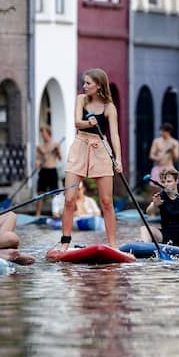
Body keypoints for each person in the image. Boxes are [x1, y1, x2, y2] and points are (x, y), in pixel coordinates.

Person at [61, 68, 122, 249]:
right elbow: (77, 123)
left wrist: (118, 159)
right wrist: (89, 122)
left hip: (101, 149)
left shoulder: (109, 108)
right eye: (84, 82)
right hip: (80, 146)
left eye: (88, 83)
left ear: (99, 85)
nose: (84, 86)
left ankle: (112, 245)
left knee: (107, 202)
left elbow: (115, 135)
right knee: (69, 199)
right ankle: (65, 243)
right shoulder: (81, 99)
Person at [34, 126, 61, 216]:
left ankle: (56, 213)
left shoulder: (55, 144)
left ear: (48, 133)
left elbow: (60, 158)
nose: (42, 136)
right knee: (40, 192)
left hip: (52, 170)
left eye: (44, 134)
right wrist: (37, 163)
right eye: (41, 134)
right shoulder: (40, 147)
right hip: (43, 171)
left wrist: (57, 151)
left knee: (55, 193)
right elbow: (38, 159)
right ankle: (37, 213)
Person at [148, 122, 179, 193]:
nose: (161, 133)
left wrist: (172, 150)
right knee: (155, 191)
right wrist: (158, 158)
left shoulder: (174, 142)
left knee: (170, 191)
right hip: (158, 167)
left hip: (169, 168)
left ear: (168, 132)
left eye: (163, 131)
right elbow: (151, 155)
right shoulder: (156, 141)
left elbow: (176, 158)